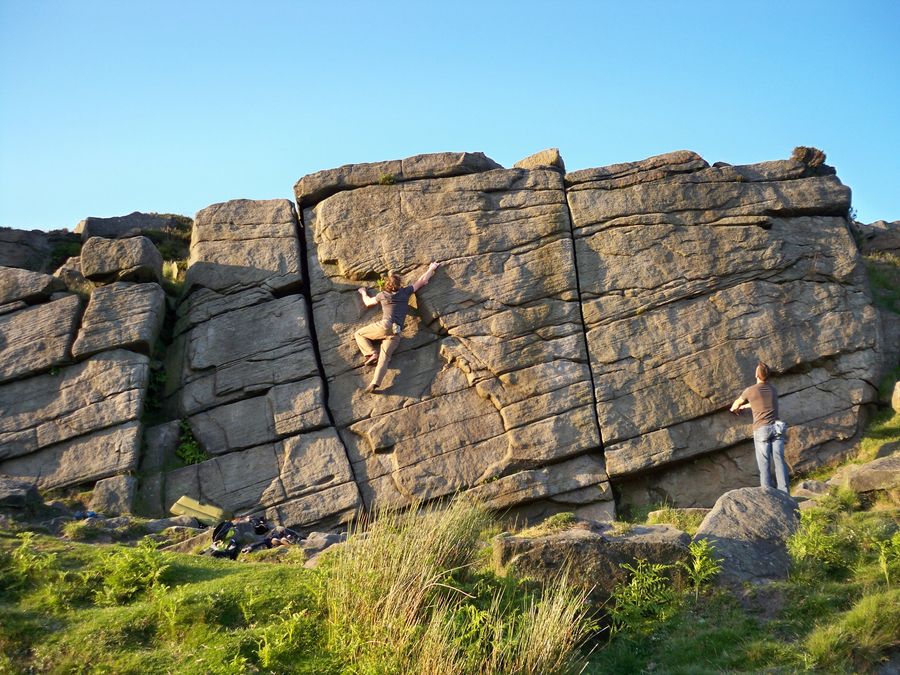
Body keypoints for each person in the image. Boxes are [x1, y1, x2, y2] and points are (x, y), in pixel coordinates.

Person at [355, 262, 440, 393]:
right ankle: (375, 383)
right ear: (399, 285)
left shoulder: (382, 295)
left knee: (359, 334)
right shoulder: (405, 292)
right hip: (396, 331)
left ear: (387, 285)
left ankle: (371, 353)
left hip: (385, 326)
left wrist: (362, 292)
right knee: (385, 358)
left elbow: (368, 303)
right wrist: (431, 268)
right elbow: (422, 280)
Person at [729, 362, 789, 492]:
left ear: (756, 374)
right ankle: (785, 492)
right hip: (777, 427)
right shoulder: (773, 389)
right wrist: (747, 406)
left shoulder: (750, 391)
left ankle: (767, 493)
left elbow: (735, 405)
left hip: (762, 429)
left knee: (764, 463)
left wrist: (737, 408)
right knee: (779, 461)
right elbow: (761, 402)